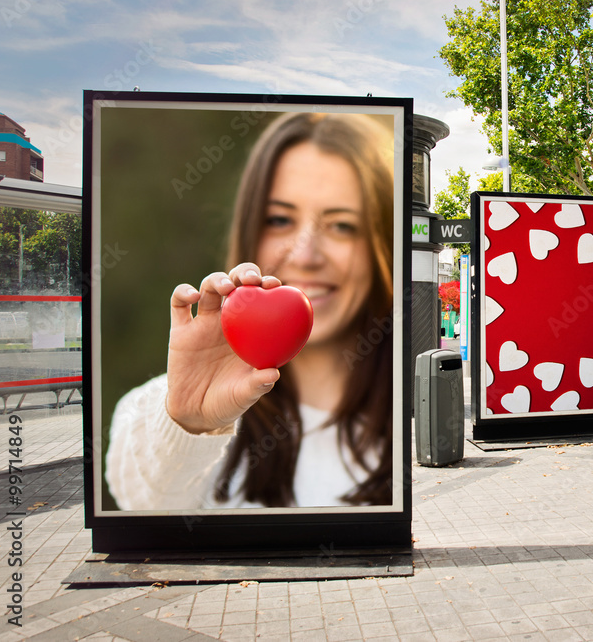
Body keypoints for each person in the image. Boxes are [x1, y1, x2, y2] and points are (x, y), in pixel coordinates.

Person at [106, 112, 394, 510]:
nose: (306, 256)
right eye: (279, 219)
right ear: (248, 230)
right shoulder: (153, 413)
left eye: (342, 225)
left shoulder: (407, 411)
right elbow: (146, 508)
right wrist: (190, 424)